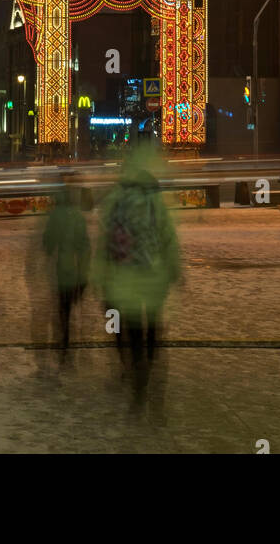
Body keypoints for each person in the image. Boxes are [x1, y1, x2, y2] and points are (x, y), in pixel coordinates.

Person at [95, 146, 181, 407]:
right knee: (153, 326)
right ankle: (152, 367)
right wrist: (174, 270)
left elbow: (105, 242)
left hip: (125, 280)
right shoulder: (157, 202)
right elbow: (168, 238)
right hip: (154, 278)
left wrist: (100, 275)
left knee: (131, 332)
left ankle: (137, 377)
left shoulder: (114, 201)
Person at [42, 179, 90, 360]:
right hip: (78, 269)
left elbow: (48, 243)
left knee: (64, 306)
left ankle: (65, 340)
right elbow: (85, 245)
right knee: (74, 302)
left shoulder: (55, 216)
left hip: (63, 268)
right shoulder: (78, 216)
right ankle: (75, 339)